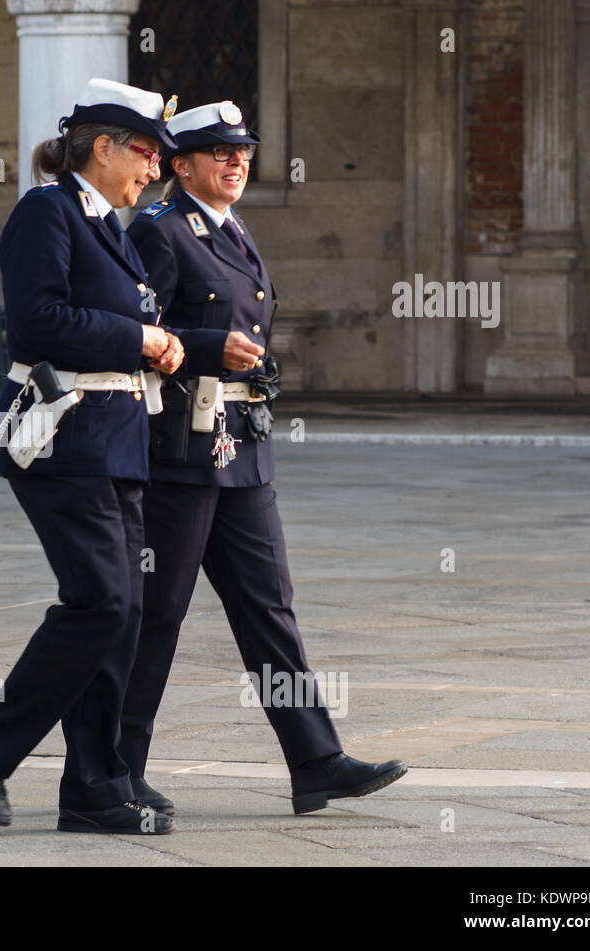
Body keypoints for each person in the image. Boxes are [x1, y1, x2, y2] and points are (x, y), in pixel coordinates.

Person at [122, 102, 406, 815]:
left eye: (243, 150)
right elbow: (135, 331)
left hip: (242, 445)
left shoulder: (234, 229)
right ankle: (116, 770)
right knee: (157, 613)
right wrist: (208, 348)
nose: (236, 162)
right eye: (218, 152)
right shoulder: (160, 231)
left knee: (269, 607)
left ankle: (315, 760)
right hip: (181, 450)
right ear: (179, 164)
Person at [0, 78, 186, 835]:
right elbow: (39, 320)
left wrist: (163, 344)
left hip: (117, 439)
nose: (154, 172)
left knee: (125, 611)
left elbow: (115, 321)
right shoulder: (45, 213)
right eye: (146, 154)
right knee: (101, 602)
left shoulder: (107, 225)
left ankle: (96, 786)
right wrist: (140, 338)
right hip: (62, 438)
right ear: (102, 146)